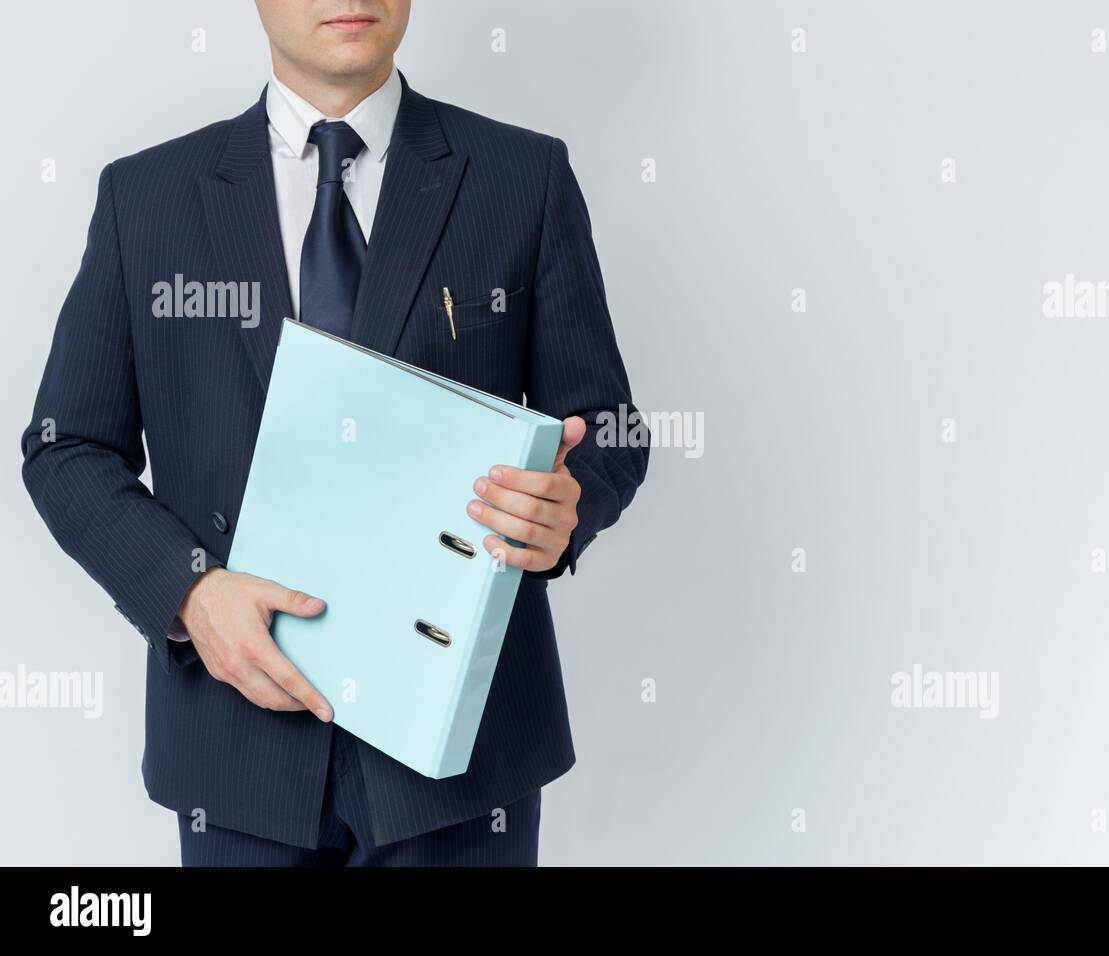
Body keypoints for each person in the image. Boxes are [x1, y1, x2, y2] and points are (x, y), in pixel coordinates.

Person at [19, 0, 647, 866]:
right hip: (237, 749)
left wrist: (569, 509)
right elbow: (67, 448)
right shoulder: (147, 196)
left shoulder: (521, 175)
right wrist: (190, 594)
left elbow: (609, 428)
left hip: (461, 755)